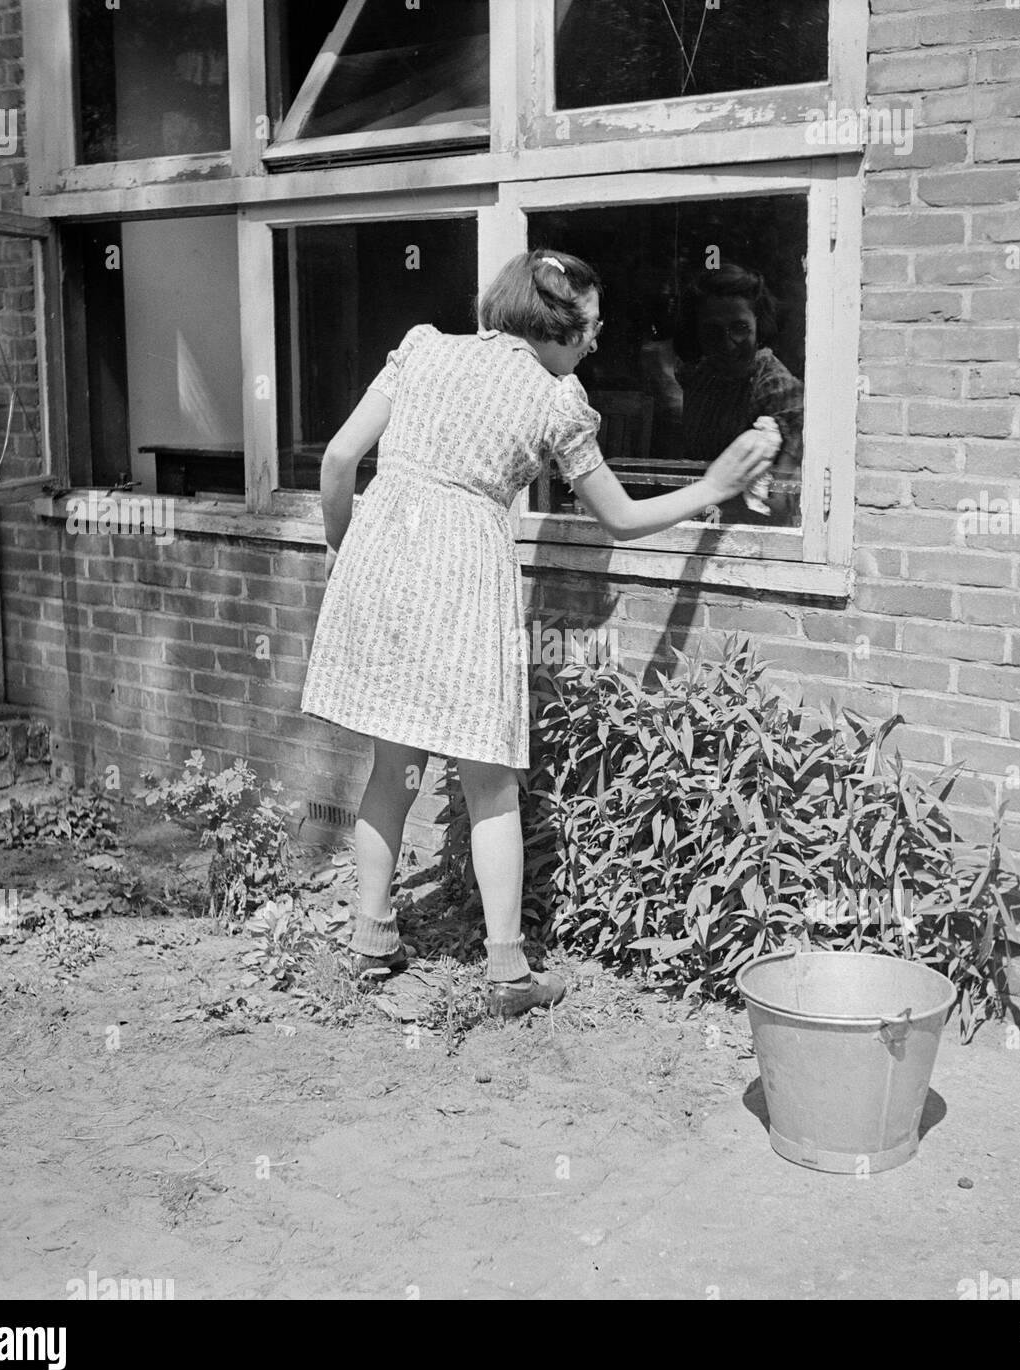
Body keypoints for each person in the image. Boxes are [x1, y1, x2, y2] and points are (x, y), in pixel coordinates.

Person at [300, 250, 777, 1018]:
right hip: (461, 573)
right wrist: (715, 488)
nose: (594, 343)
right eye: (589, 330)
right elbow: (618, 518)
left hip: (382, 561)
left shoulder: (422, 347)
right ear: (556, 328)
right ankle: (507, 974)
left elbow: (338, 459)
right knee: (489, 779)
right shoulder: (557, 399)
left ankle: (368, 939)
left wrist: (340, 548)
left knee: (393, 769)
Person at [673, 263, 805, 525]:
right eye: (712, 331)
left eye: (740, 328)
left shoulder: (774, 386)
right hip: (699, 517)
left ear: (759, 323)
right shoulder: (700, 376)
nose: (727, 343)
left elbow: (781, 498)